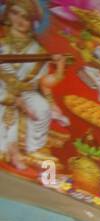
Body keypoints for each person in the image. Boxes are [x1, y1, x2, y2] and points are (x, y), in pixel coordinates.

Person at [0, 0, 68, 171]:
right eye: (15, 13)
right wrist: (14, 98)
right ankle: (10, 148)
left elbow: (43, 82)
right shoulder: (2, 45)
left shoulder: (39, 52)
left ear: (33, 22)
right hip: (2, 87)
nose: (20, 21)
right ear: (7, 14)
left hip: (25, 91)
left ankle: (34, 149)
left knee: (43, 107)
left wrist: (59, 69)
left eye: (26, 17)